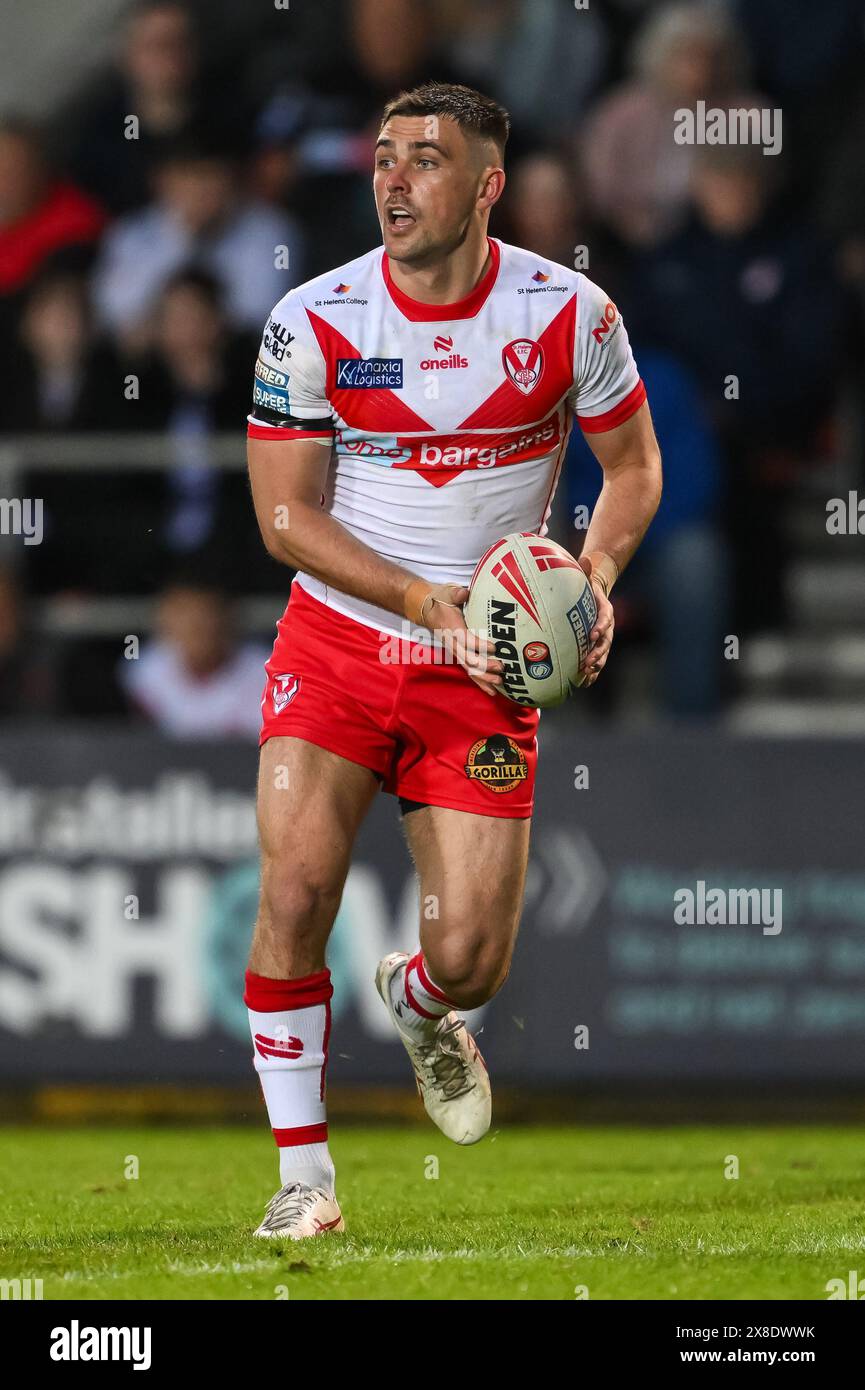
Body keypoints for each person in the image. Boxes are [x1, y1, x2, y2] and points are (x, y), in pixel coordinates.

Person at [244, 82, 662, 1239]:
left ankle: (421, 1006)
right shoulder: (313, 319)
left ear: (487, 186)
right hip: (336, 639)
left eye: (425, 160)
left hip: (481, 666)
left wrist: (593, 582)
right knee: (291, 893)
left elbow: (629, 470)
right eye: (383, 156)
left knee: (471, 958)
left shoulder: (569, 313)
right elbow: (285, 519)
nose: (393, 178)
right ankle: (306, 1182)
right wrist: (425, 597)